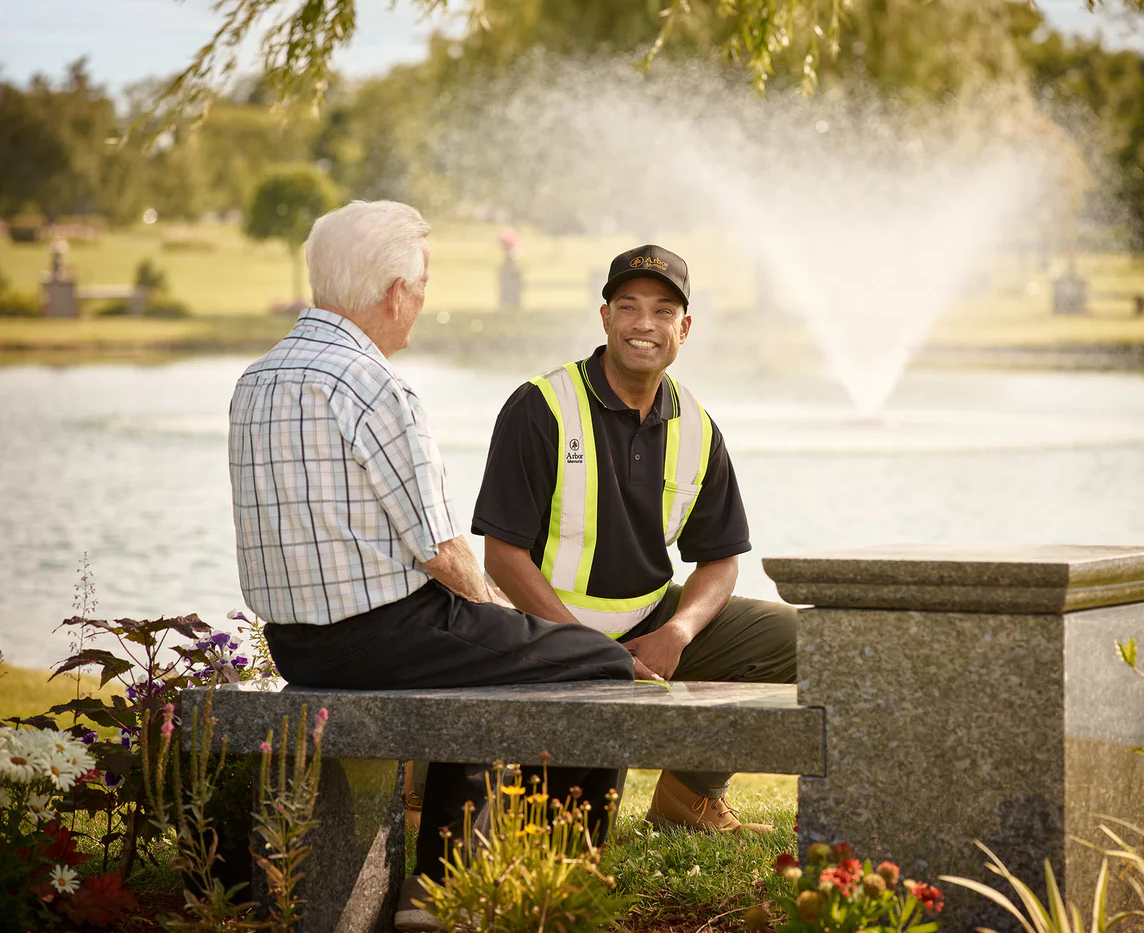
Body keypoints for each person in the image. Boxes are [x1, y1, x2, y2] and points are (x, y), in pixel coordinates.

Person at [227, 200, 634, 933]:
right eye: (421, 284)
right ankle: (545, 887)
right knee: (599, 665)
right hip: (387, 635)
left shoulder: (256, 379)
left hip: (297, 642)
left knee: (492, 660)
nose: (422, 300)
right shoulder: (372, 384)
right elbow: (443, 550)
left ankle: (444, 881)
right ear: (391, 292)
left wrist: (491, 636)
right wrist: (495, 617)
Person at [473, 244, 798, 835]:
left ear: (685, 327)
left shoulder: (698, 426)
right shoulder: (540, 407)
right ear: (605, 317)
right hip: (542, 631)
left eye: (663, 311)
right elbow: (503, 557)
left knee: (799, 639)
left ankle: (689, 797)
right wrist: (584, 648)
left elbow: (721, 559)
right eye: (628, 306)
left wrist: (676, 632)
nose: (644, 324)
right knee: (569, 834)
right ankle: (445, 786)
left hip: (650, 623)